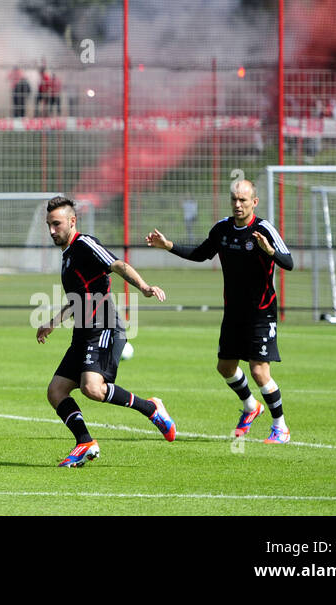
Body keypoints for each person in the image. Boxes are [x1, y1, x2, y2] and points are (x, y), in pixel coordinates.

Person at [146, 178, 295, 444]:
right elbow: (202, 253)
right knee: (225, 367)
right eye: (234, 200)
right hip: (234, 313)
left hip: (261, 312)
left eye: (243, 200)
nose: (238, 205)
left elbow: (289, 263)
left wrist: (269, 250)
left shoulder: (264, 229)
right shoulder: (222, 229)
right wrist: (168, 245)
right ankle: (251, 406)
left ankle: (280, 427)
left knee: (259, 372)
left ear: (254, 202)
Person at [36, 195, 173, 467]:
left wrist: (144, 287)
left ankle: (151, 408)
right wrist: (53, 321)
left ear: (72, 221)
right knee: (56, 391)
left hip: (104, 325)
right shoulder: (67, 256)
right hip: (83, 330)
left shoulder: (85, 244)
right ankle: (85, 442)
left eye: (57, 224)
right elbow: (79, 296)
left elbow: (118, 265)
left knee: (92, 388)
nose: (52, 230)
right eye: (49, 225)